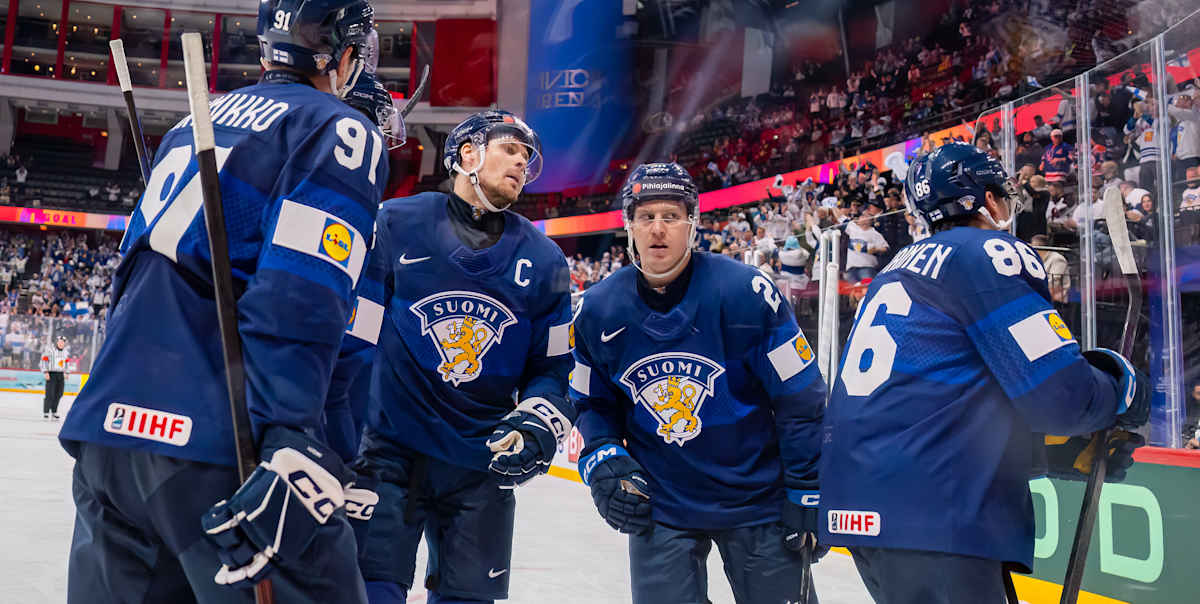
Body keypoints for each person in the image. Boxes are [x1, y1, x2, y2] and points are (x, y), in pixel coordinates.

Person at [58, 0, 384, 602]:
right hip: (212, 435)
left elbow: (132, 274)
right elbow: (300, 290)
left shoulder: (194, 123)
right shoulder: (339, 129)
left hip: (110, 432)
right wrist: (290, 436)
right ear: (341, 50)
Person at [819, 142, 1148, 604]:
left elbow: (935, 395)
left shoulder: (895, 269)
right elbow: (1060, 397)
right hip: (937, 512)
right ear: (986, 200)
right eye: (1000, 194)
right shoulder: (988, 252)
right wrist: (1119, 389)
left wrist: (1049, 453)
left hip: (865, 503)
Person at [570, 163, 827, 604]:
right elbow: (591, 401)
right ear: (628, 224)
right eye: (646, 216)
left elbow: (800, 397)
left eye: (671, 216)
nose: (658, 229)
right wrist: (602, 452)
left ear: (693, 224)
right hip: (663, 503)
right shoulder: (597, 308)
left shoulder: (747, 292)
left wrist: (808, 487)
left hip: (758, 501)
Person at [351, 109, 575, 604]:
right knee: (370, 592)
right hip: (390, 452)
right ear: (468, 153)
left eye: (527, 156)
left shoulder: (544, 260)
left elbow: (555, 372)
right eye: (509, 149)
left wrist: (537, 423)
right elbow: (356, 336)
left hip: (482, 464)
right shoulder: (398, 222)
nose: (521, 163)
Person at [41, 334, 69, 420]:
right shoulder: (50, 350)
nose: (61, 344)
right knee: (50, 394)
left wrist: (66, 372)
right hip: (51, 374)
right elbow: (44, 360)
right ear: (57, 342)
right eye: (59, 342)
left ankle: (54, 411)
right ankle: (46, 412)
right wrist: (45, 372)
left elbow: (67, 363)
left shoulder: (66, 352)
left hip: (60, 374)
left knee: (59, 394)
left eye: (62, 342)